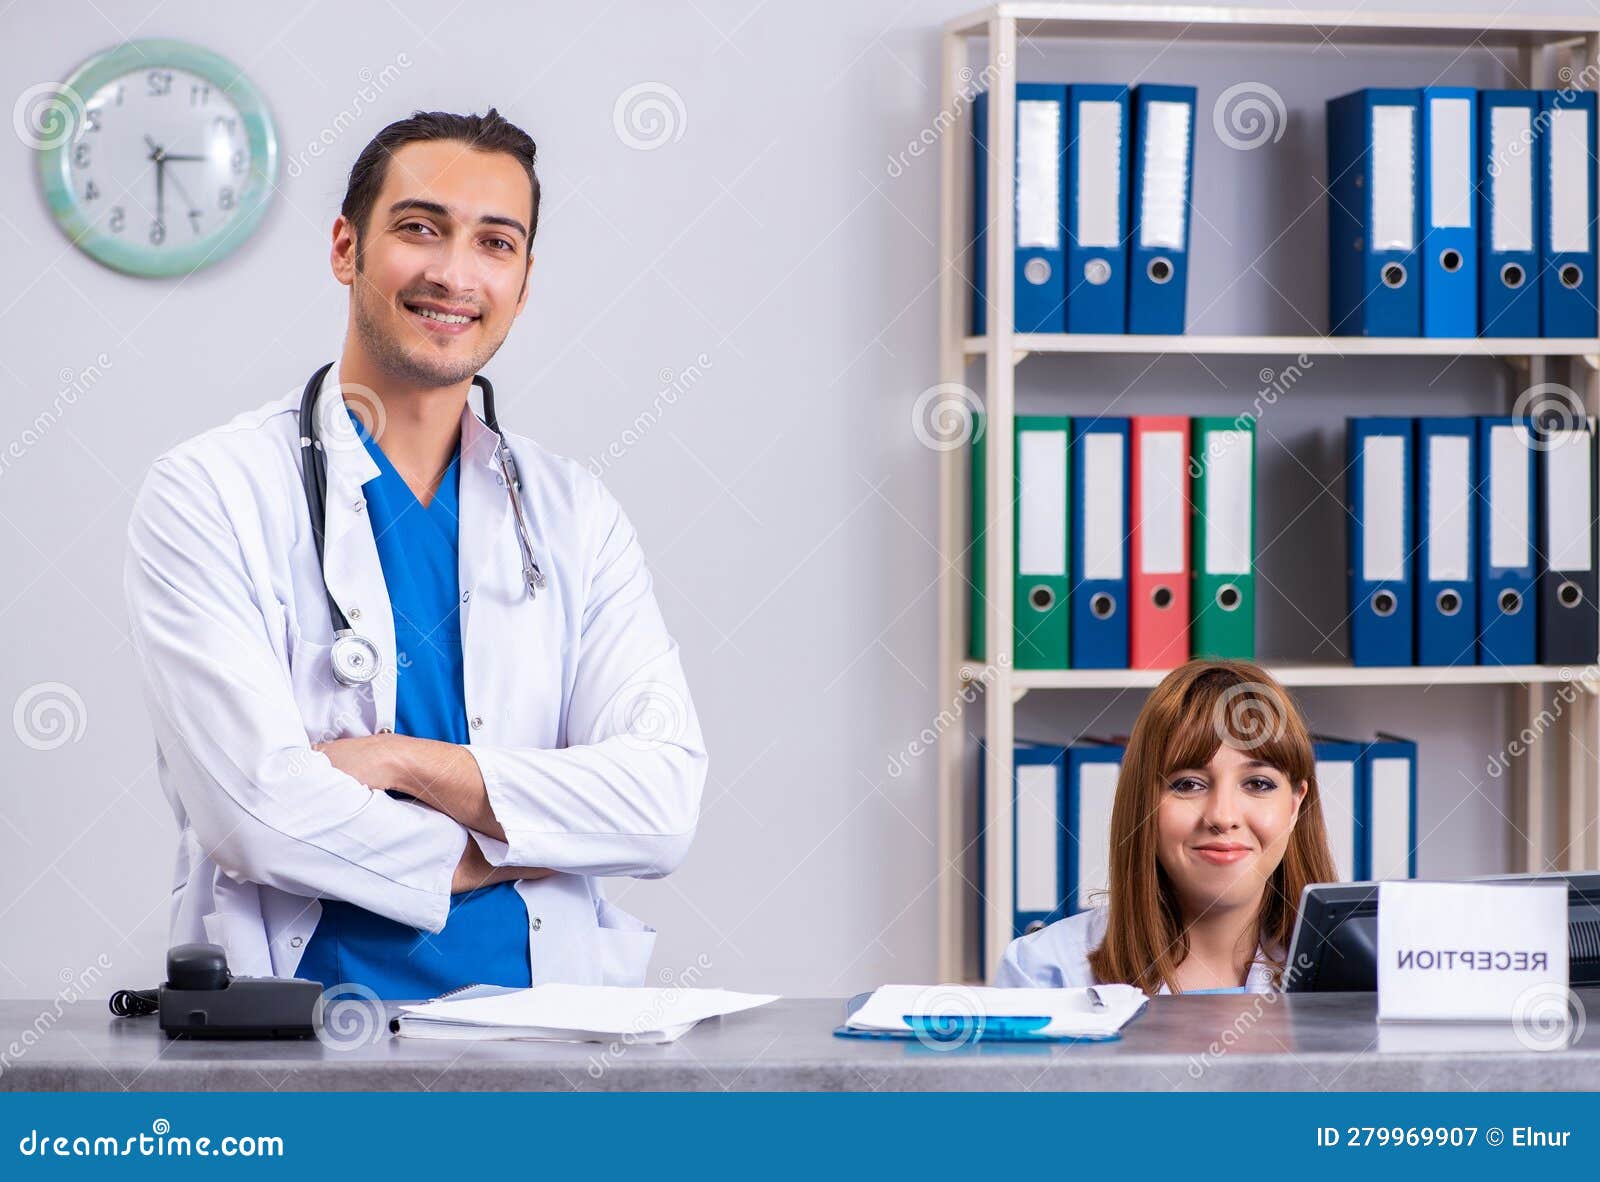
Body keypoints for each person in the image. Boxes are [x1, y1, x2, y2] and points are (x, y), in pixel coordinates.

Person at [123, 109, 706, 998]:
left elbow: (661, 805)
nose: (454, 273)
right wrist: (523, 841)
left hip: (548, 1033)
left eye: (495, 242)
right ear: (345, 248)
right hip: (304, 1033)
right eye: (419, 228)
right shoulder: (211, 492)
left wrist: (400, 761)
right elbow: (257, 818)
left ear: (524, 279)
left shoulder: (574, 513)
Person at [996, 659, 1337, 994]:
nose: (1222, 816)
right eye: (1188, 784)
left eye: (1258, 784)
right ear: (1145, 802)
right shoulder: (1043, 974)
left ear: (1295, 806)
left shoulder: (1359, 971)